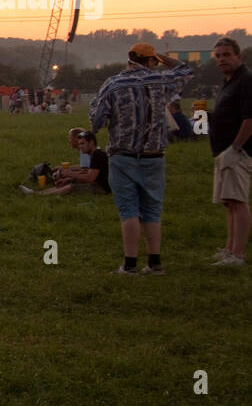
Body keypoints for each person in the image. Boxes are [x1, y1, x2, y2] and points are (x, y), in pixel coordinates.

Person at [90, 41, 194, 275]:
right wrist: (162, 57)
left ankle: (129, 265)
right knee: (152, 210)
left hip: (122, 155)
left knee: (129, 210)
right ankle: (155, 263)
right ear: (149, 61)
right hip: (154, 156)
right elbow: (186, 70)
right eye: (154, 62)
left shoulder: (113, 84)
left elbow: (96, 121)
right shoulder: (161, 81)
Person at [209, 37, 252, 266]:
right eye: (218, 56)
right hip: (223, 150)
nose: (222, 60)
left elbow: (250, 118)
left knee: (238, 201)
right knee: (229, 202)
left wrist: (236, 148)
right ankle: (229, 249)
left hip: (238, 151)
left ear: (238, 56)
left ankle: (237, 255)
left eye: (226, 55)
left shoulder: (246, 80)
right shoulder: (230, 81)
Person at [21, 131, 110, 196]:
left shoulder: (97, 155)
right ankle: (36, 193)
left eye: (83, 143)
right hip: (98, 183)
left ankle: (36, 195)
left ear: (91, 143)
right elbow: (88, 173)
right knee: (67, 184)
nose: (80, 147)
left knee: (71, 187)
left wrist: (69, 174)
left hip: (103, 188)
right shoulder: (95, 154)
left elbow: (90, 178)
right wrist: (68, 179)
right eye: (79, 144)